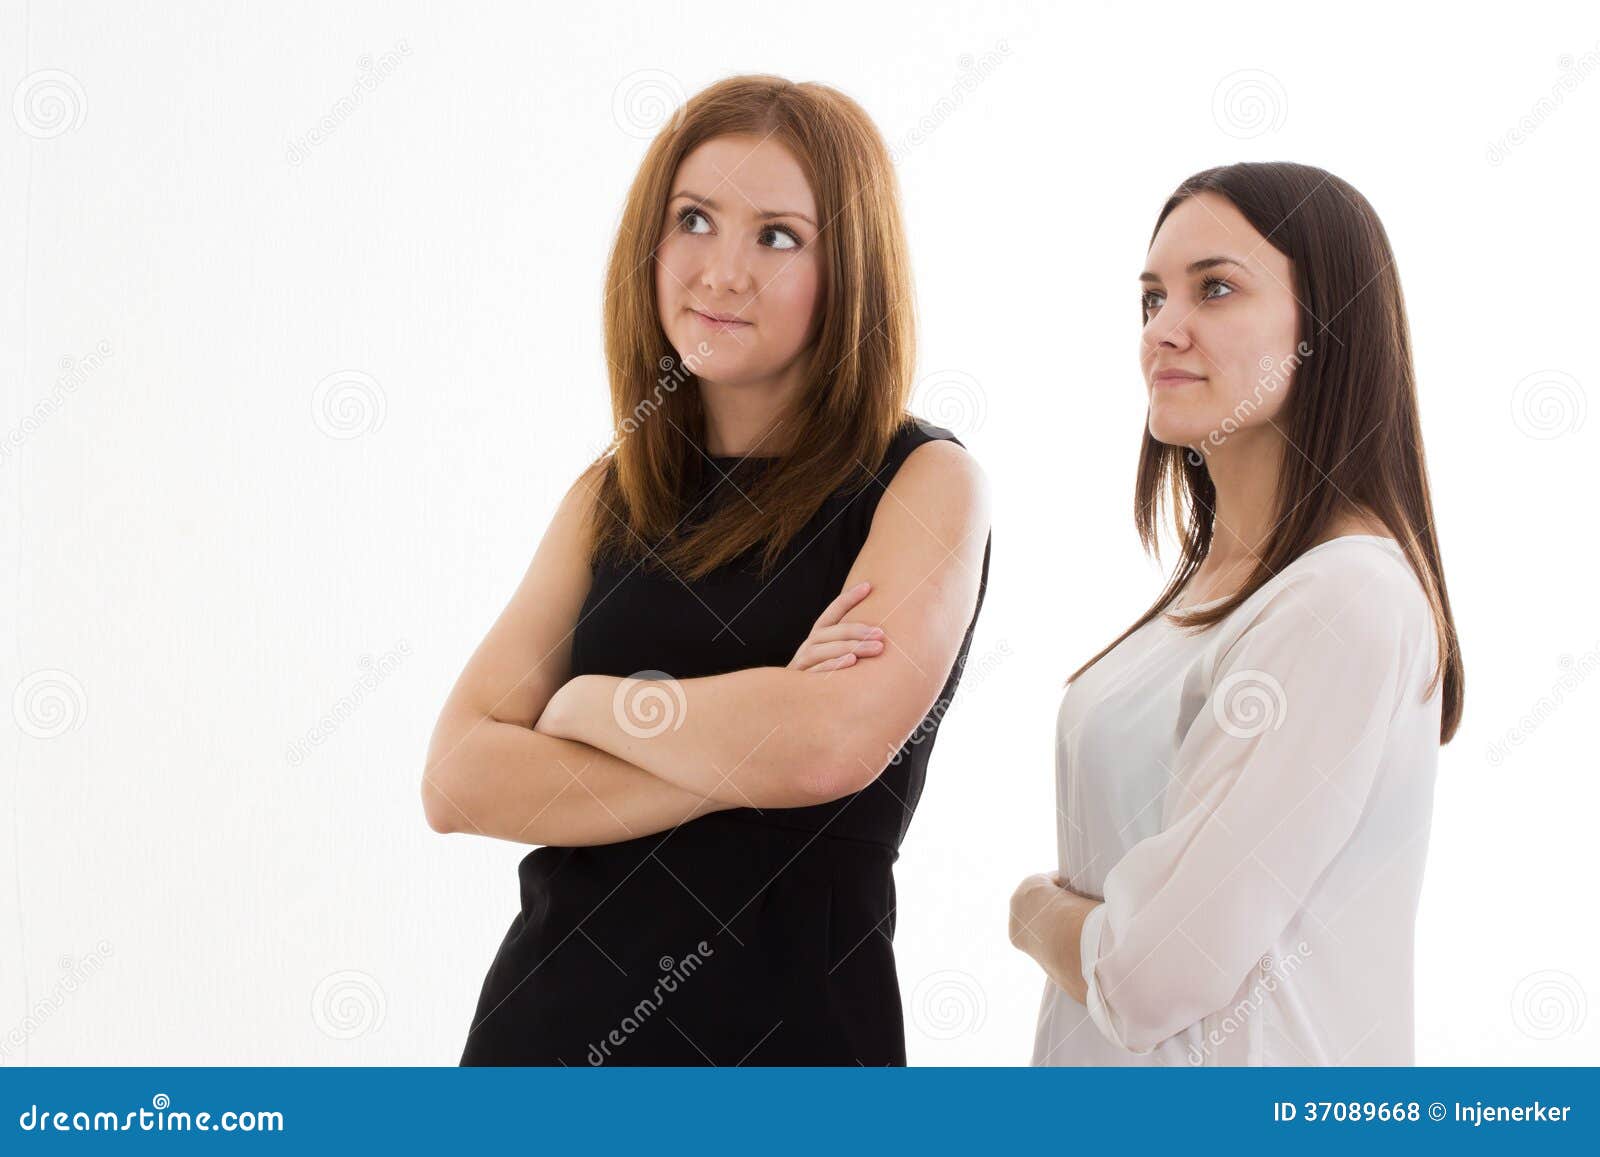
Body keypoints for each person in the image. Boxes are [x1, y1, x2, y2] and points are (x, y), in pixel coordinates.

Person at [422, 74, 991, 1066]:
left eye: (776, 235)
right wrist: (748, 747)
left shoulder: (924, 481)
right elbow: (458, 777)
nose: (722, 271)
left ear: (850, 268)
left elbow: (824, 751)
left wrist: (593, 706)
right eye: (694, 220)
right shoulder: (609, 492)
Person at [1010, 162, 1463, 1066]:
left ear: (1327, 327)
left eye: (1215, 289)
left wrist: (1033, 913)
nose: (1163, 331)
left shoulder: (1347, 599)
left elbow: (1148, 977)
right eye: (1151, 298)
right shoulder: (1214, 595)